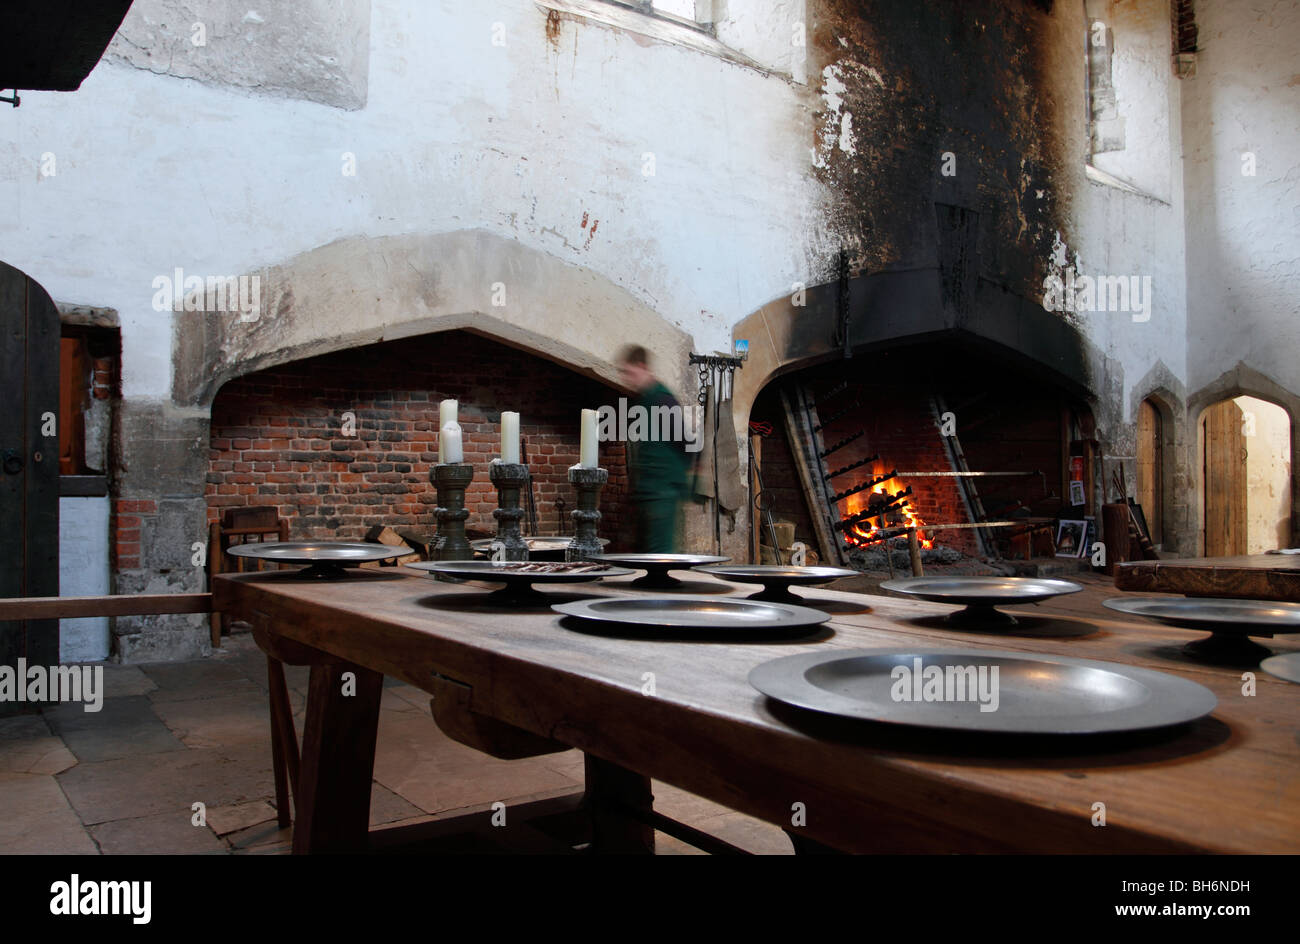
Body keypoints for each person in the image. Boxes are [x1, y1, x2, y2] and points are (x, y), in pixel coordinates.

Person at [618, 345, 693, 553]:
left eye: (630, 372)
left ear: (642, 367)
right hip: (648, 490)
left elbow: (687, 442)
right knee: (643, 552)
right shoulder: (644, 400)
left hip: (663, 492)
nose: (627, 378)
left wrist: (683, 476)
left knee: (659, 554)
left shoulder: (662, 399)